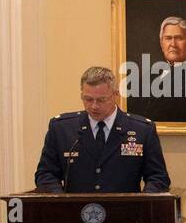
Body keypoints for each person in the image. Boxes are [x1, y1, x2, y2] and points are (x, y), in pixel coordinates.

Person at [35, 66, 170, 193]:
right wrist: (61, 201)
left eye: (101, 100)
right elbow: (46, 174)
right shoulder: (61, 129)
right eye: (88, 99)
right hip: (75, 212)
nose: (94, 106)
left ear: (116, 95)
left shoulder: (142, 129)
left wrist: (143, 203)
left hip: (125, 213)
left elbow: (158, 177)